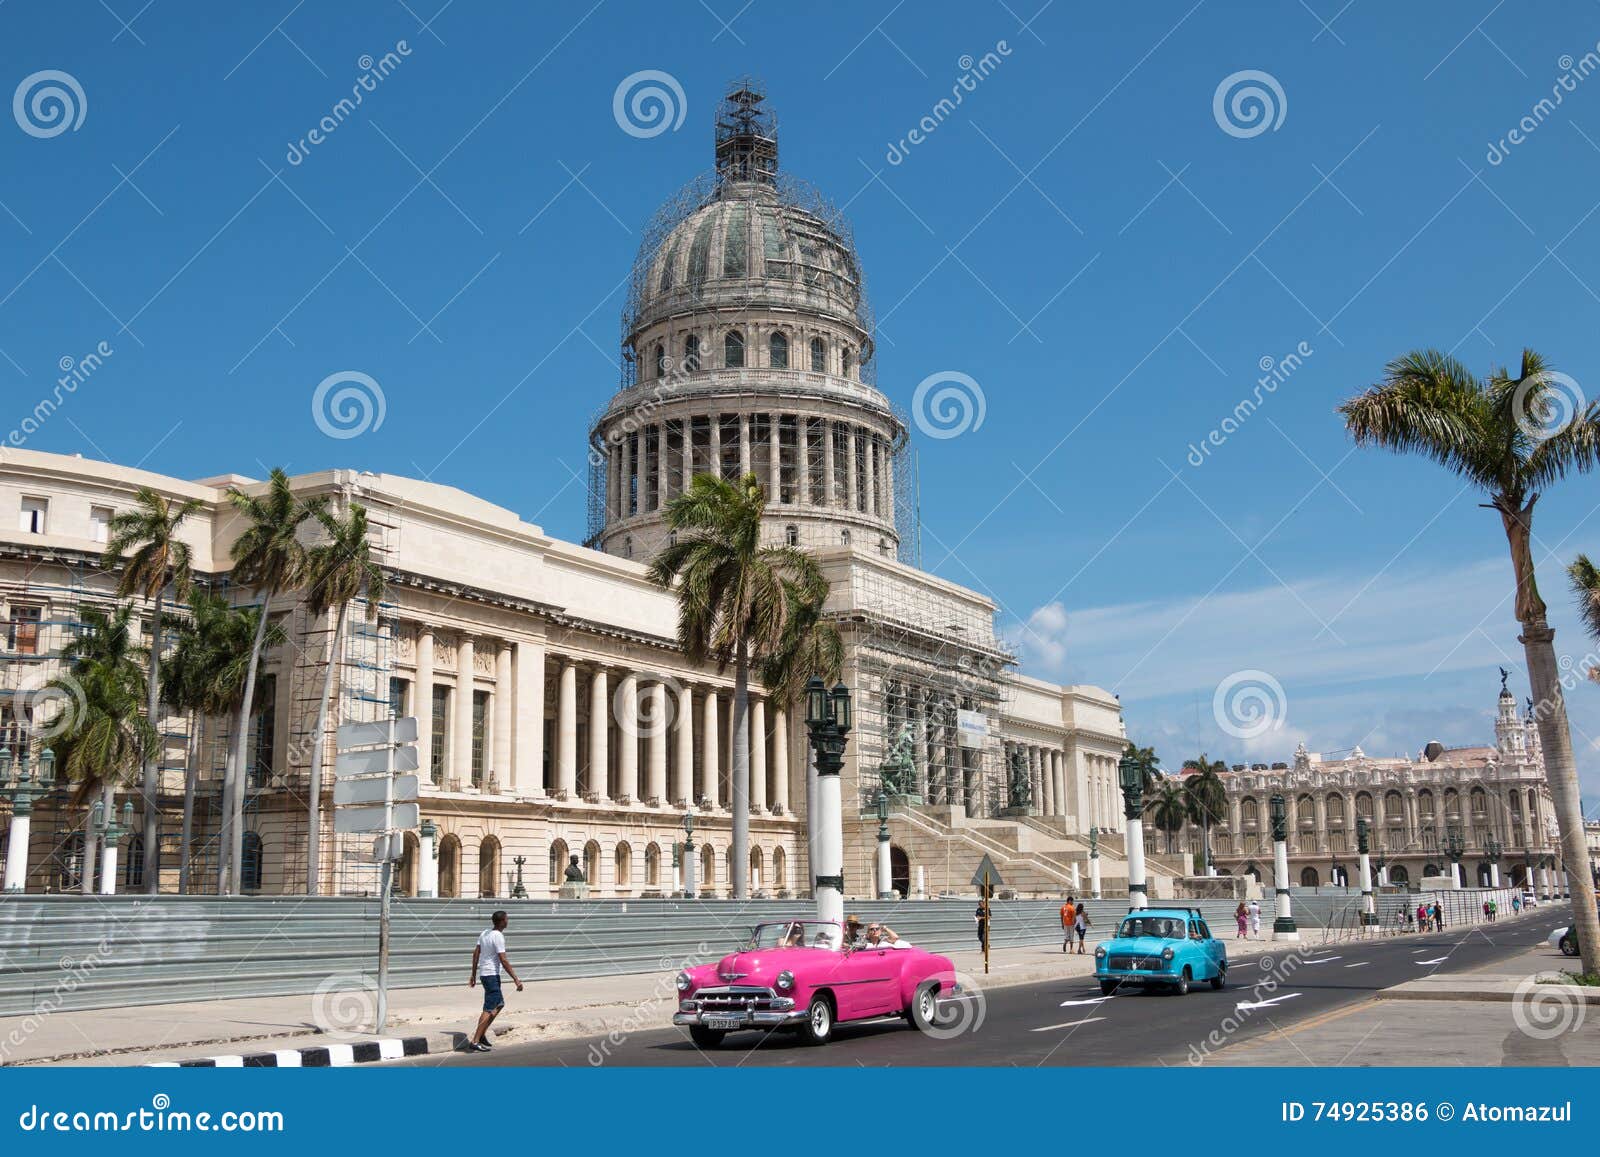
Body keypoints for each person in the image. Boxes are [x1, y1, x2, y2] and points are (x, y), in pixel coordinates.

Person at [467, 910, 523, 1053]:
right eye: (507, 919)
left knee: (499, 1004)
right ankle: (475, 1041)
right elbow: (503, 960)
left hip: (486, 975)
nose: (508, 921)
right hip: (491, 975)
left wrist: (473, 974)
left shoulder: (485, 933)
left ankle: (482, 1035)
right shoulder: (498, 936)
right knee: (489, 1008)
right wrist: (516, 979)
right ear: (502, 921)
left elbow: (475, 953)